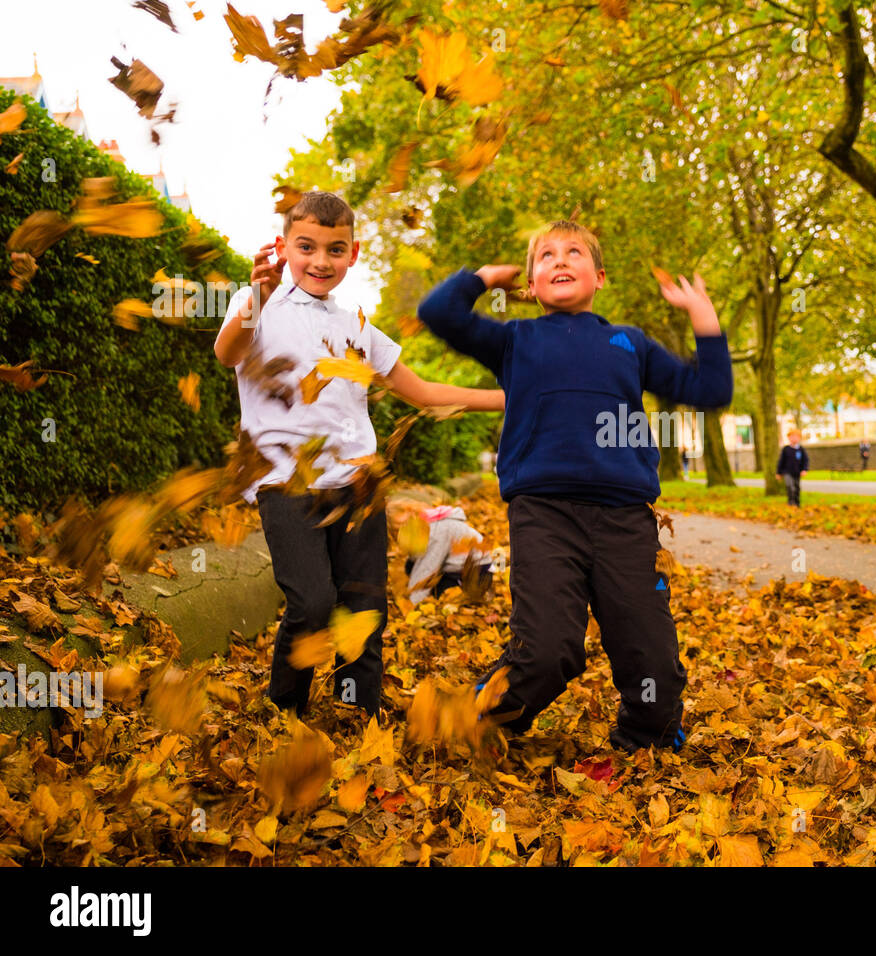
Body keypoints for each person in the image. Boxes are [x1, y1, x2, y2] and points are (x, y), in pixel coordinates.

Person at [417, 219, 732, 752]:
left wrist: (704, 319)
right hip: (544, 515)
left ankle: (647, 736)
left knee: (650, 656)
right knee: (546, 652)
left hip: (625, 519)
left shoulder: (628, 343)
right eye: (546, 256)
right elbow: (438, 313)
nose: (560, 260)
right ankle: (479, 717)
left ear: (600, 276)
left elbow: (710, 387)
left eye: (574, 252)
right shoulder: (514, 339)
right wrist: (484, 279)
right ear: (533, 285)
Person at [213, 190, 505, 717]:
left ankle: (358, 710)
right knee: (312, 603)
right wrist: (256, 294)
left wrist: (511, 397)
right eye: (306, 247)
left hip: (358, 489)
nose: (320, 261)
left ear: (352, 254)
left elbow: (421, 391)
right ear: (283, 247)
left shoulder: (359, 328)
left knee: (363, 606)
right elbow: (227, 352)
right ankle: (285, 710)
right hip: (288, 486)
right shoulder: (258, 306)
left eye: (335, 249)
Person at [776, 429, 810, 507]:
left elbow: (805, 460)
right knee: (790, 486)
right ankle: (790, 502)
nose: (794, 438)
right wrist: (779, 472)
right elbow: (781, 461)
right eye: (792, 437)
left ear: (799, 438)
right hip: (787, 472)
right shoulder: (786, 449)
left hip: (797, 472)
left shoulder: (801, 449)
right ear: (789, 438)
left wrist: (804, 469)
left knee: (796, 487)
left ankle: (797, 503)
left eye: (796, 437)